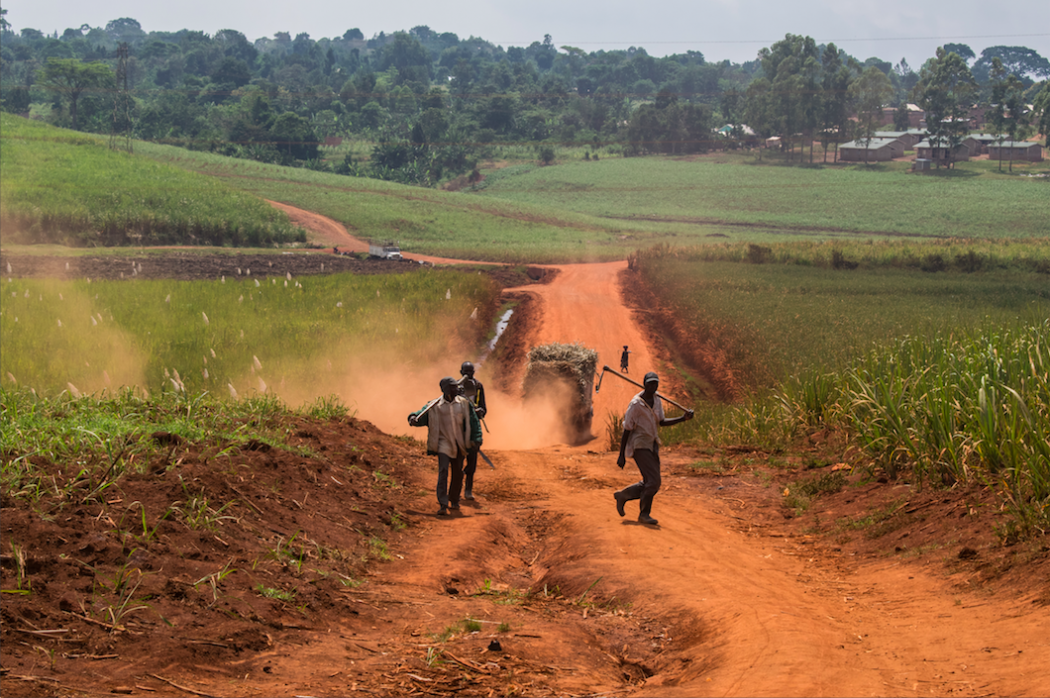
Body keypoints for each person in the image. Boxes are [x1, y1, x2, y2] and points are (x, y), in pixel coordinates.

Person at [614, 372, 693, 526]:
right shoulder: (636, 404)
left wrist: (683, 419)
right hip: (640, 445)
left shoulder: (657, 400)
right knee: (654, 481)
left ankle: (623, 495)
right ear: (644, 384)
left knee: (651, 482)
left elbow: (661, 422)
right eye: (650, 383)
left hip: (652, 444)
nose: (653, 386)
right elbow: (627, 429)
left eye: (655, 384)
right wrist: (621, 454)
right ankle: (644, 514)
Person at [408, 377, 483, 516]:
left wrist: (477, 438)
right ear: (446, 389)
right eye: (453, 387)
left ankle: (454, 499)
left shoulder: (464, 404)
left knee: (458, 473)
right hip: (443, 444)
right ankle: (443, 504)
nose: (457, 389)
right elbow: (421, 416)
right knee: (443, 472)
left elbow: (474, 423)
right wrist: (412, 418)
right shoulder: (434, 405)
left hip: (459, 444)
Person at [457, 361, 487, 500]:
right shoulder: (455, 386)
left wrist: (480, 412)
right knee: (457, 459)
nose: (468, 375)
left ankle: (468, 490)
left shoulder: (479, 386)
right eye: (466, 372)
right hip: (458, 427)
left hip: (474, 427)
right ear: (461, 373)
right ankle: (455, 489)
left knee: (472, 459)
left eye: (471, 372)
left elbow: (483, 407)